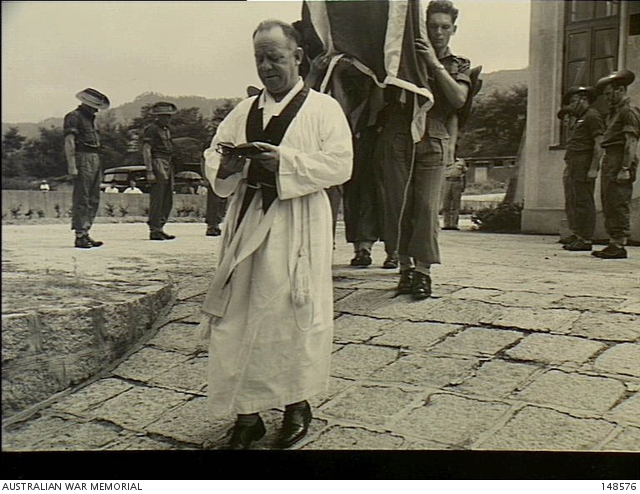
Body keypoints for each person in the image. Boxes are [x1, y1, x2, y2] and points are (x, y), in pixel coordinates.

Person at [198, 19, 352, 450]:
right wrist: (226, 166)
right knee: (237, 316)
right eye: (259, 58)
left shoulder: (323, 108)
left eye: (275, 57)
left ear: (298, 57)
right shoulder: (243, 111)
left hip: (297, 221)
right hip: (247, 221)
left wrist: (282, 162)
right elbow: (215, 155)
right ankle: (247, 416)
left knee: (291, 314)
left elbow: (341, 164)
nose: (266, 67)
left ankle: (295, 405)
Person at [378, 0, 470, 299]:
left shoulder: (458, 64)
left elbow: (458, 99)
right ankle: (405, 268)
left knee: (428, 208)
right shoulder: (402, 60)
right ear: (422, 28)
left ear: (454, 29)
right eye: (433, 27)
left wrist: (433, 63)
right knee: (399, 204)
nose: (439, 32)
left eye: (445, 27)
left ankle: (424, 271)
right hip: (399, 135)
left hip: (434, 137)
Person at [592, 69, 639, 259]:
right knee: (609, 202)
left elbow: (631, 142)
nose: (608, 99)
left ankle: (619, 244)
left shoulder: (629, 111)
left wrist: (625, 168)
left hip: (620, 159)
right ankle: (613, 241)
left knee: (618, 202)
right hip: (611, 158)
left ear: (620, 90)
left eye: (610, 94)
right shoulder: (615, 112)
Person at [558, 86, 604, 252]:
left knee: (584, 201)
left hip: (583, 164)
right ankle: (577, 235)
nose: (572, 106)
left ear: (584, 99)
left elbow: (599, 144)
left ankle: (585, 238)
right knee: (573, 200)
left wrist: (593, 168)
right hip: (574, 164)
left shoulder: (592, 116)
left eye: (574, 102)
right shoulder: (580, 118)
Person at [63, 87, 110, 249]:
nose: (96, 109)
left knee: (93, 197)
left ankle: (86, 231)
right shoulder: (74, 117)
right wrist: (72, 165)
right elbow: (69, 142)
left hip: (94, 157)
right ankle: (80, 235)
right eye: (94, 105)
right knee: (82, 198)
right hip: (82, 156)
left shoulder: (90, 118)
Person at [143, 102, 178, 241]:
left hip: (168, 161)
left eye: (169, 116)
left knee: (167, 197)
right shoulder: (151, 129)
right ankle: (154, 228)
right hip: (158, 161)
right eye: (164, 116)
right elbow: (146, 149)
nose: (168, 118)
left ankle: (161, 226)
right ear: (158, 116)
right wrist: (149, 170)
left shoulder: (166, 130)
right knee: (157, 197)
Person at [441, 156, 468, 230]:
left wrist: (464, 185)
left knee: (456, 204)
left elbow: (464, 174)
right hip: (447, 182)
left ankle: (454, 225)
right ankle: (446, 224)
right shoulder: (445, 160)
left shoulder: (461, 161)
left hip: (457, 182)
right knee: (446, 205)